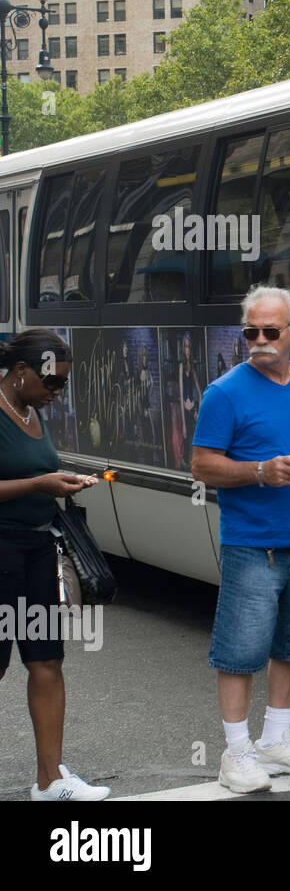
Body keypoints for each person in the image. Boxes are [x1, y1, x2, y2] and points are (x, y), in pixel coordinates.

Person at [191, 285, 290, 794]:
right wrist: (259, 470)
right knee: (240, 652)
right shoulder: (225, 393)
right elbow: (201, 465)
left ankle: (276, 740)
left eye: (269, 331)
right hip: (252, 544)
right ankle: (236, 753)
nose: (258, 340)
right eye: (250, 331)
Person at [0, 329, 109, 801]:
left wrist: (61, 481)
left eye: (63, 384)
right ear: (20, 371)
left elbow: (34, 472)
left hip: (38, 548)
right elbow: (27, 479)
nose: (57, 393)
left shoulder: (31, 410)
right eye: (51, 383)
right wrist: (40, 483)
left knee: (47, 661)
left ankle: (50, 781)